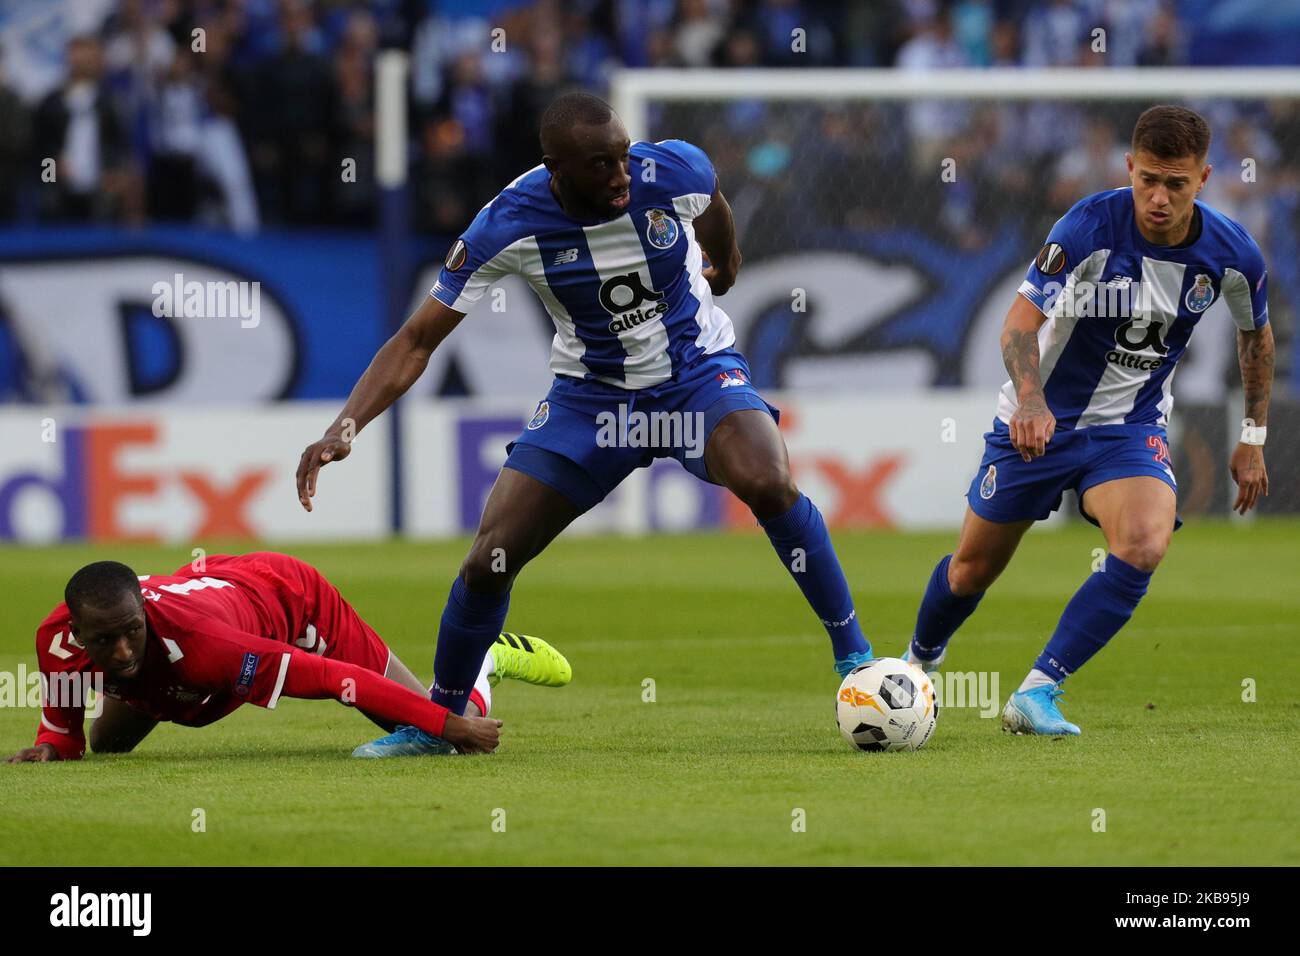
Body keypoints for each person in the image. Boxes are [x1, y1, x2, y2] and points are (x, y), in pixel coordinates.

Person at [296, 92, 874, 756]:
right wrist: (345, 426)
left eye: (624, 157)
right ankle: (439, 723)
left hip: (695, 375)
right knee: (490, 560)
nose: (622, 176)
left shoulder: (670, 171)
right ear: (556, 169)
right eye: (602, 165)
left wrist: (728, 265)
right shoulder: (507, 224)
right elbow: (417, 341)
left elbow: (711, 202)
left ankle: (854, 658)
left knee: (768, 481)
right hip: (591, 401)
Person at [902, 105, 1272, 735]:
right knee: (972, 568)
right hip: (1038, 420)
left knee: (1146, 542)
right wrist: (1030, 398)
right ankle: (916, 668)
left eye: (1175, 185)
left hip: (1129, 431)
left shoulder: (1232, 256)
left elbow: (1255, 342)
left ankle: (1037, 692)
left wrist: (1253, 436)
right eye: (1147, 179)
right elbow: (1021, 322)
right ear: (1129, 167)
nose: (1158, 198)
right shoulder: (1087, 227)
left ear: (1204, 178)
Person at [7, 552, 571, 763]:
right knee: (109, 745)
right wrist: (52, 746)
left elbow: (331, 678)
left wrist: (452, 725)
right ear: (77, 632)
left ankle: (483, 665)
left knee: (432, 731)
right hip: (210, 597)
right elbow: (64, 736)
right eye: (105, 641)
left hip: (292, 603)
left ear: (144, 616)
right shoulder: (56, 642)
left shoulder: (213, 651)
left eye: (132, 631)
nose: (122, 649)